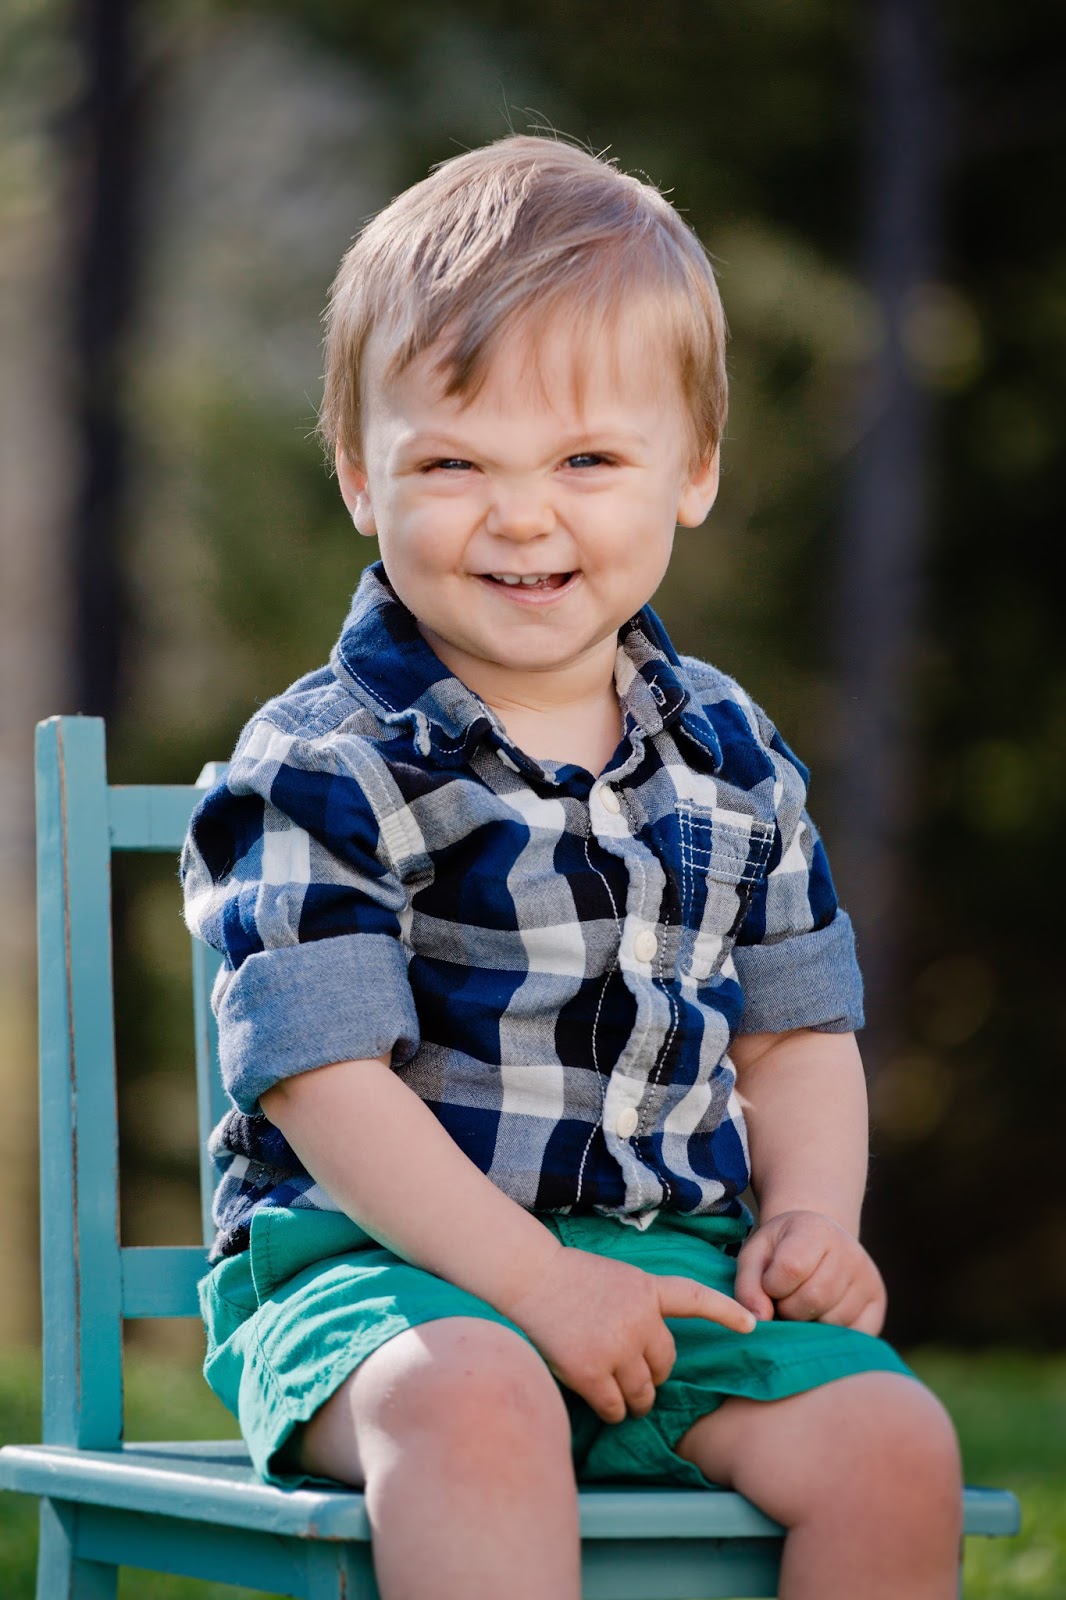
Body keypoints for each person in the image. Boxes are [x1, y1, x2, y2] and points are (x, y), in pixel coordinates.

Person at [182, 134, 963, 1599]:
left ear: (693, 472)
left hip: (672, 1270)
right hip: (383, 1282)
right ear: (362, 478)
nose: (523, 513)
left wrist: (809, 1223)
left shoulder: (731, 754)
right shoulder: (321, 764)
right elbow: (319, 1083)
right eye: (453, 462)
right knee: (469, 1398)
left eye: (588, 459)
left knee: (890, 1442)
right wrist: (536, 1285)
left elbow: (795, 1029)